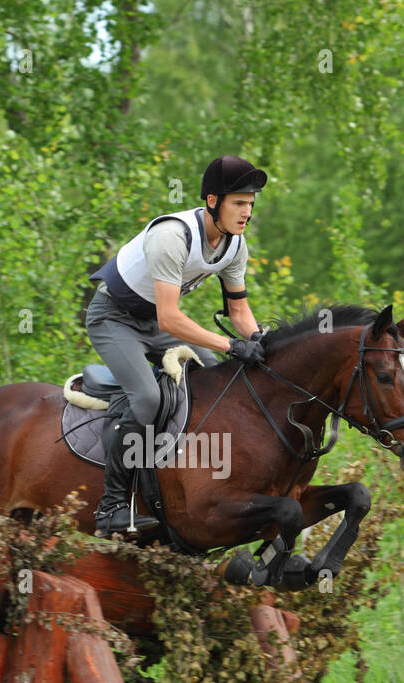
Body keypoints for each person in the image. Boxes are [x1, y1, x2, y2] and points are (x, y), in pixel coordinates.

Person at [87, 154, 269, 537]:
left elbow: (239, 312)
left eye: (251, 204)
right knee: (149, 399)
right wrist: (230, 346)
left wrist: (257, 342)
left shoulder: (235, 246)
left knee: (214, 382)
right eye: (239, 203)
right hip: (113, 318)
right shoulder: (172, 236)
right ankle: (112, 506)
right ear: (212, 201)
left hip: (154, 321)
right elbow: (172, 318)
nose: (247, 213)